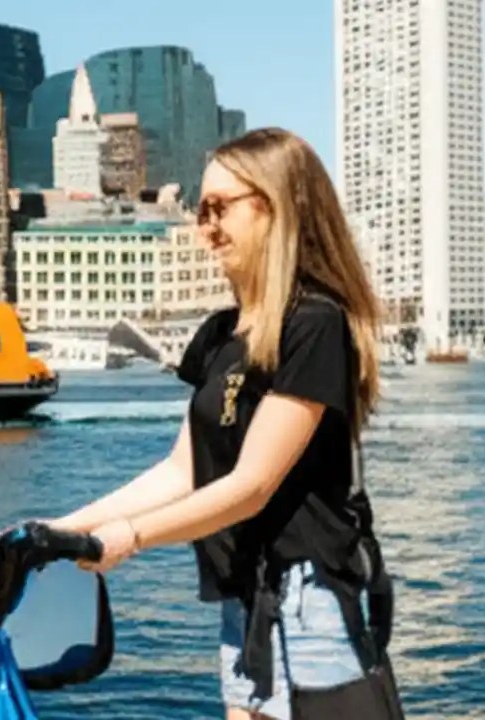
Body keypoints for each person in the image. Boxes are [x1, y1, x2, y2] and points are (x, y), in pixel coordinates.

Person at [45, 128, 402, 719]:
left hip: (311, 603)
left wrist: (130, 538)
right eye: (200, 209)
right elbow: (183, 469)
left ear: (276, 208)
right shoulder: (218, 336)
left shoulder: (314, 325)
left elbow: (252, 485)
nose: (205, 226)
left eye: (221, 207)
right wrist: (63, 529)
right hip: (246, 600)